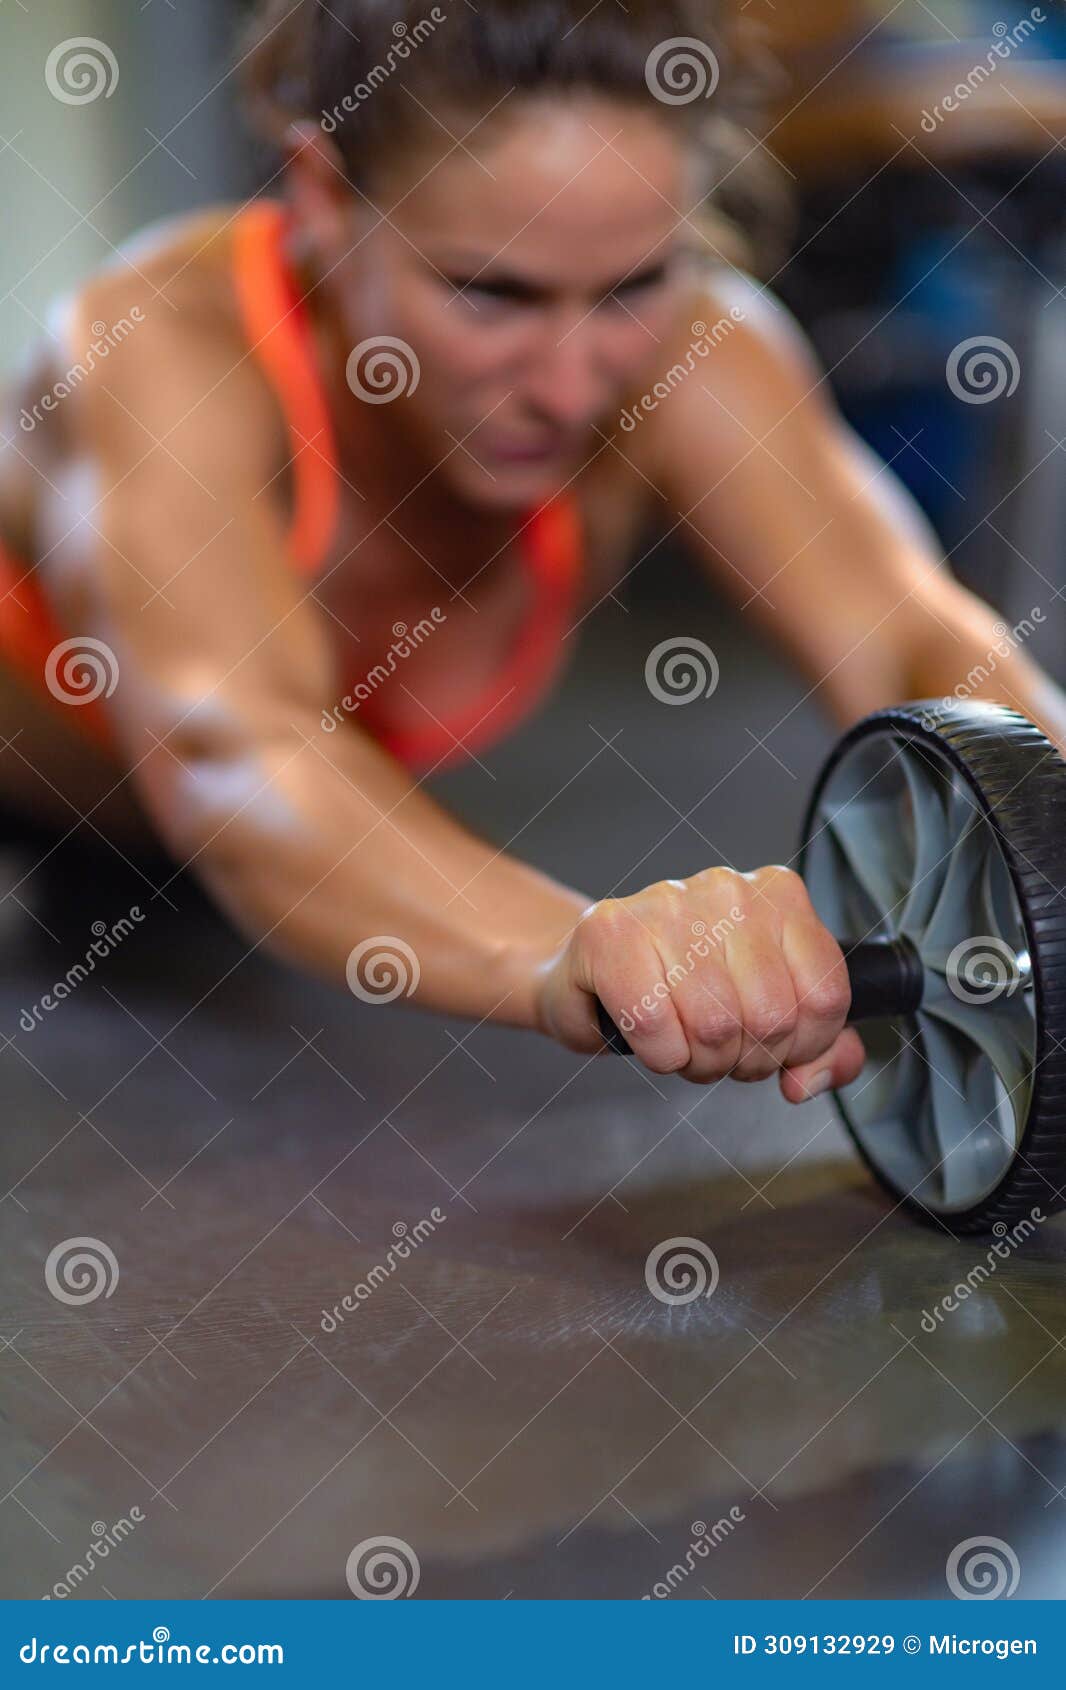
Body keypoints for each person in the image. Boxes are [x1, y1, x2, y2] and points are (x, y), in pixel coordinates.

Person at [0, 0, 1062, 1103]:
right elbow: (245, 755)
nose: (565, 387)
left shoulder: (700, 354)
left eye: (633, 285)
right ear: (319, 195)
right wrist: (580, 954)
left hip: (250, 875)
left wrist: (1054, 815)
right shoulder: (156, 347)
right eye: (488, 290)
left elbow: (911, 645)